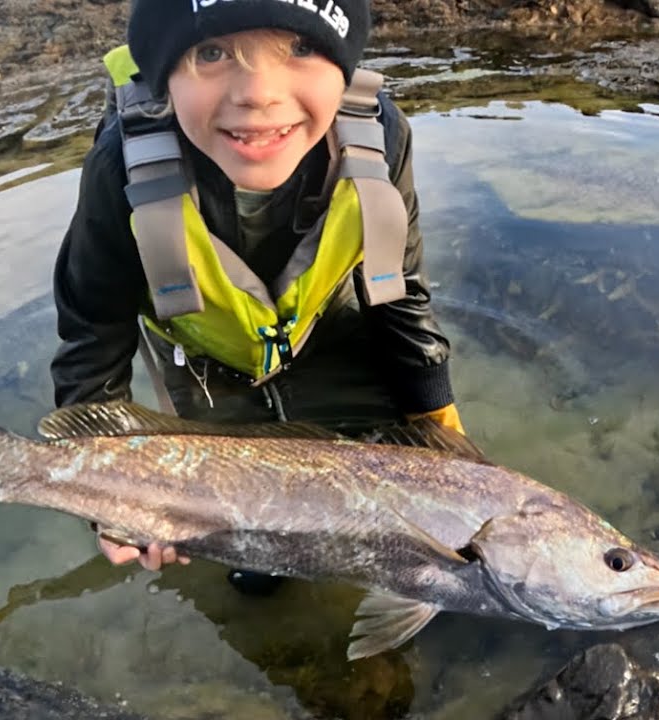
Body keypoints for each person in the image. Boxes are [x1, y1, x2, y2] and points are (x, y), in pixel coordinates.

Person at [49, 0, 463, 591]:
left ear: (345, 64)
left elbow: (398, 294)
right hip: (202, 362)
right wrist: (105, 494)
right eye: (212, 54)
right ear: (163, 74)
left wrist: (436, 416)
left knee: (394, 500)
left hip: (323, 329)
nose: (259, 95)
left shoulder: (382, 139)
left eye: (300, 49)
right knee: (251, 557)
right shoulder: (120, 166)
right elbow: (93, 330)